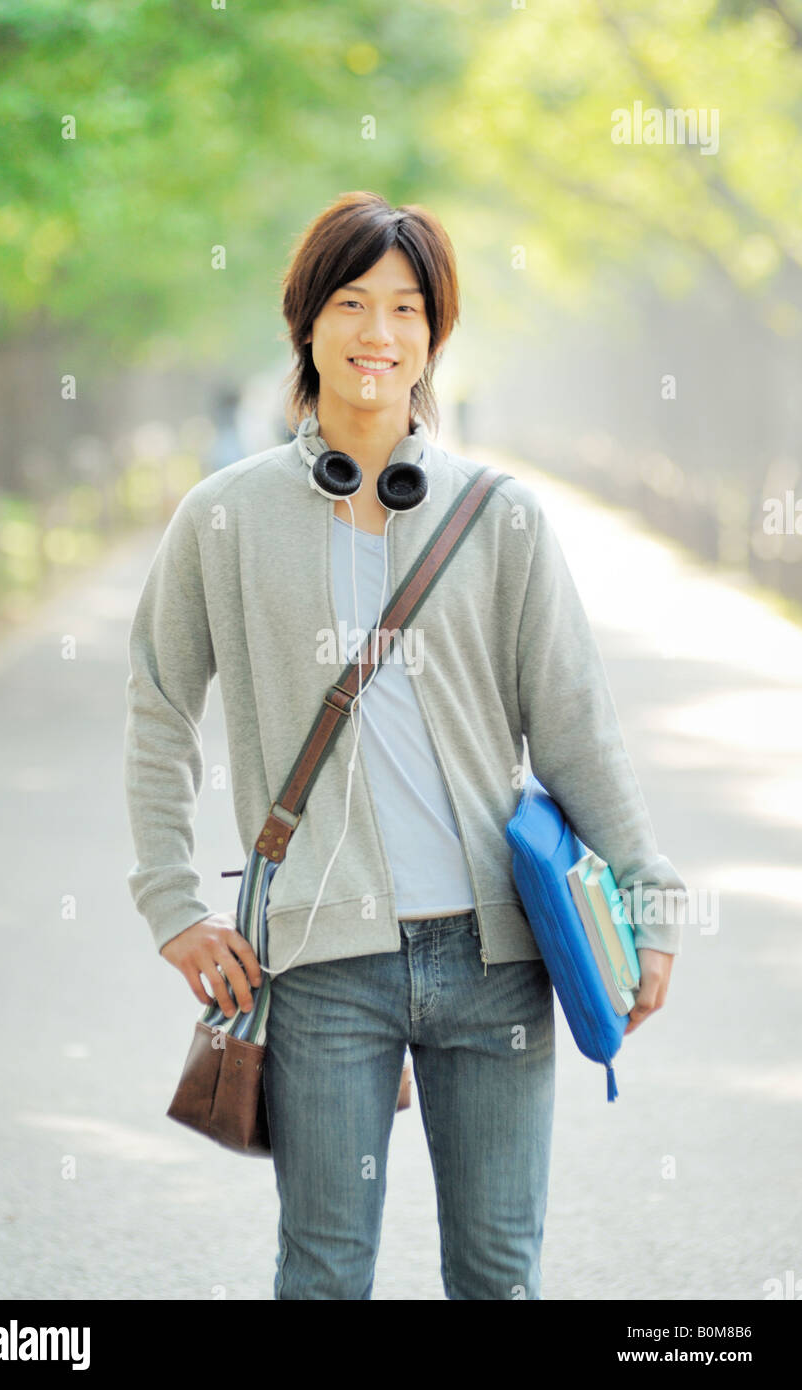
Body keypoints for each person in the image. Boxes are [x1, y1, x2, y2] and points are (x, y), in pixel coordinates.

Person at [123, 191, 686, 1300]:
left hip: (498, 965)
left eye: (405, 309)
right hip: (325, 970)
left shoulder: (500, 515)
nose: (376, 333)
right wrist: (170, 903)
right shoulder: (225, 517)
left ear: (433, 336)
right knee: (324, 1275)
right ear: (305, 321)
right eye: (350, 302)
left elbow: (576, 728)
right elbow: (157, 709)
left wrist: (650, 900)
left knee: (495, 1275)